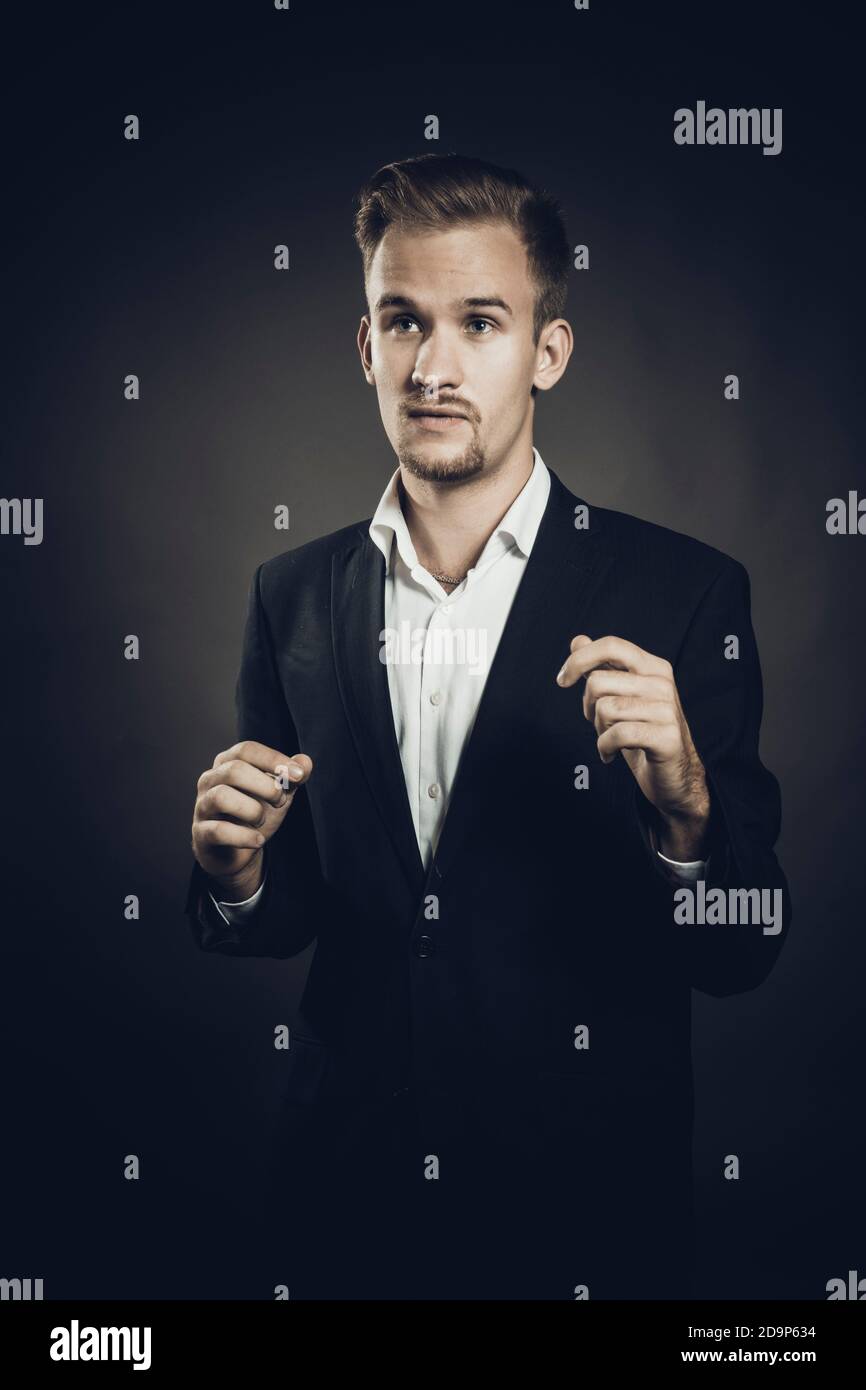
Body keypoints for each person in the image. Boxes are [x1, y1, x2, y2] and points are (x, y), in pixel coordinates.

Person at [185, 152, 791, 1300]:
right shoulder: (291, 595)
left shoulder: (685, 593)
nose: (434, 365)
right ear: (365, 346)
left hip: (585, 1216)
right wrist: (236, 875)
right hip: (342, 1210)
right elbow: (305, 916)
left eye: (479, 321)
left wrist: (686, 813)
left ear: (544, 353)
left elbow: (743, 949)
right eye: (401, 321)